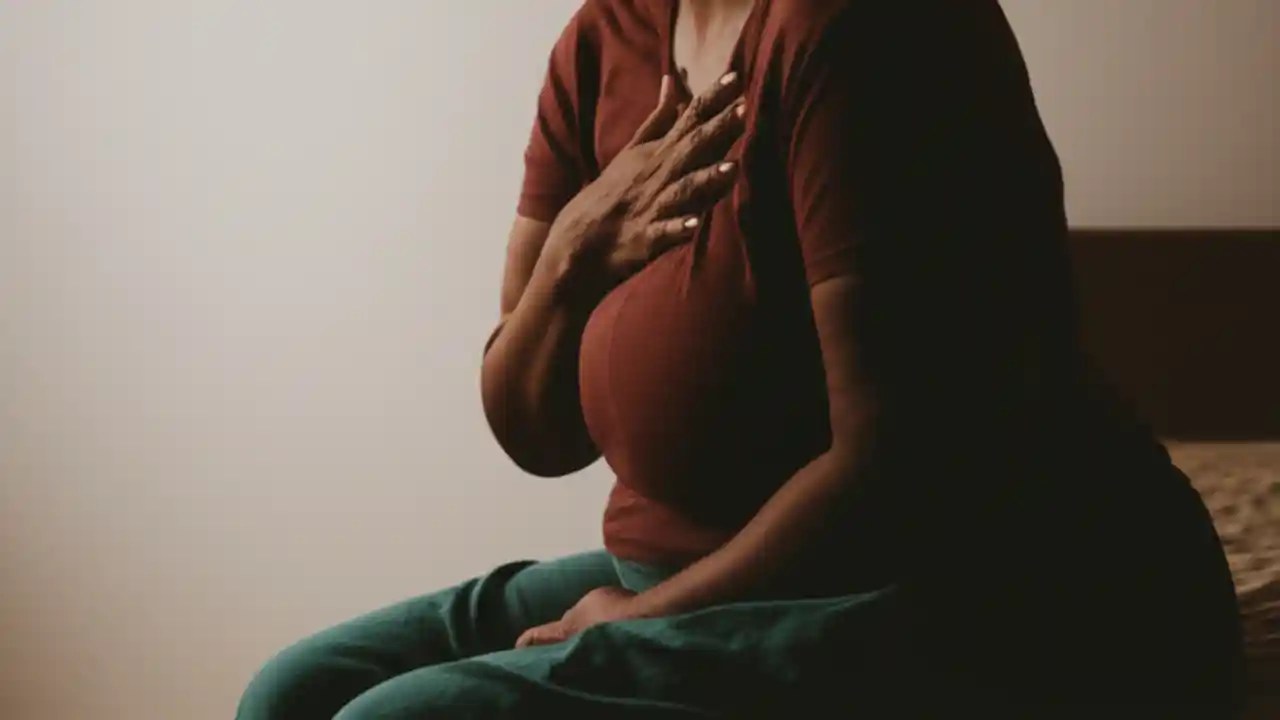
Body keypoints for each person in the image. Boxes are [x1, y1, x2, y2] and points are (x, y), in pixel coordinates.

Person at [238, 1, 1244, 717]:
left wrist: (638, 621)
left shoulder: (865, 30)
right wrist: (573, 259)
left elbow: (892, 468)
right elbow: (532, 429)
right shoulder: (605, 40)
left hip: (960, 588)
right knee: (296, 695)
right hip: (684, 568)